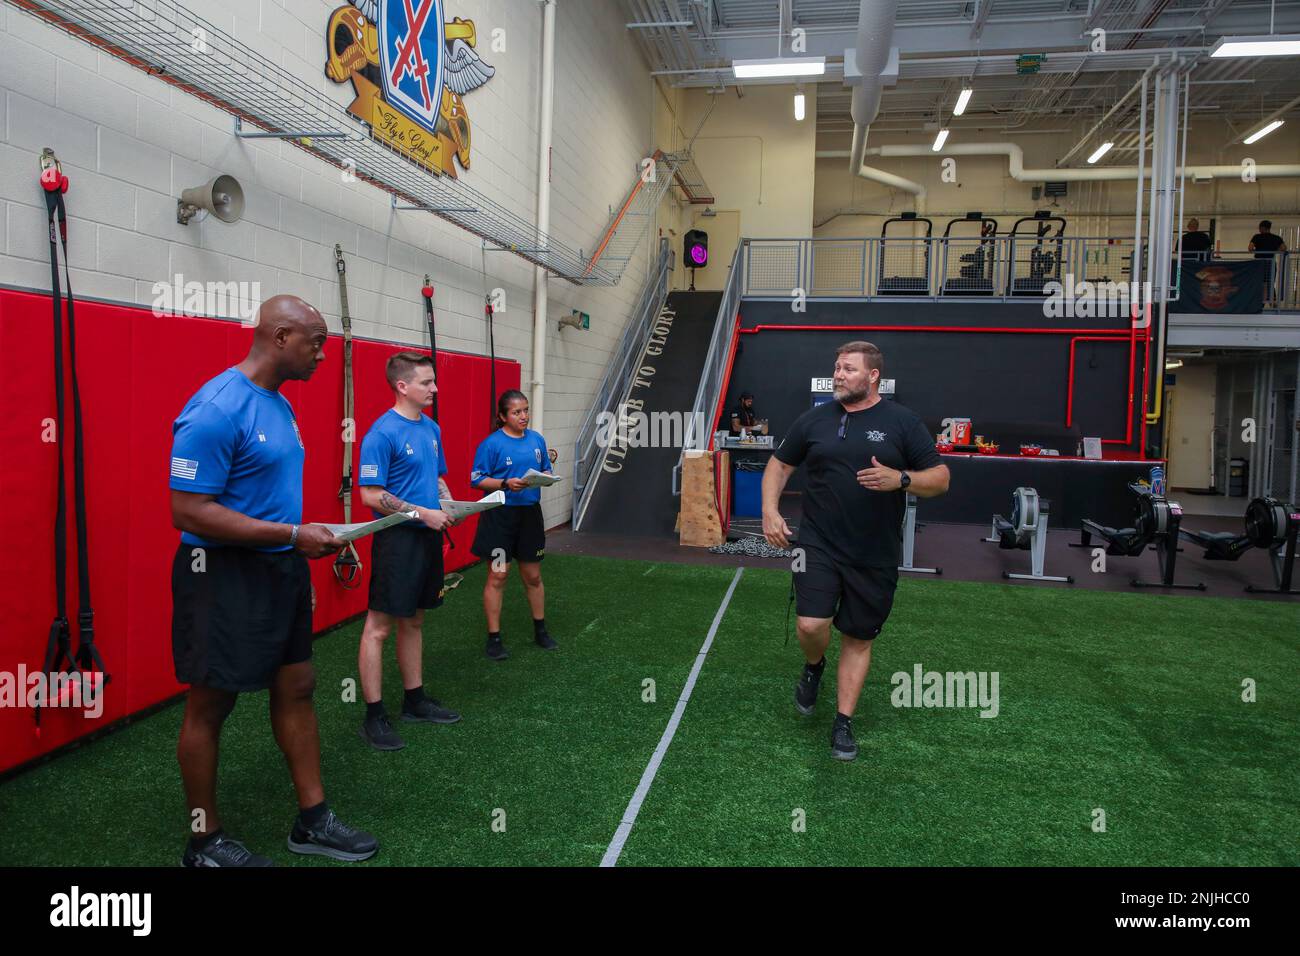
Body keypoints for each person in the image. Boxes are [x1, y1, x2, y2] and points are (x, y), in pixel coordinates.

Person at [169, 294, 377, 866]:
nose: (321, 355)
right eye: (316, 342)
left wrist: (295, 555)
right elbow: (187, 510)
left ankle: (312, 821)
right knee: (211, 706)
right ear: (281, 336)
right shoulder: (216, 406)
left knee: (298, 687)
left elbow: (266, 498)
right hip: (219, 574)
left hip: (277, 571)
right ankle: (203, 842)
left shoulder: (280, 405)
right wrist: (290, 536)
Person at [761, 341, 950, 761]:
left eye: (848, 368)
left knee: (858, 637)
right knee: (811, 626)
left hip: (874, 551)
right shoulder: (814, 419)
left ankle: (843, 721)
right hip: (816, 544)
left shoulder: (902, 422)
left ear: (873, 375)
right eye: (836, 367)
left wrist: (900, 479)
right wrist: (770, 511)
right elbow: (779, 464)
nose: (839, 374)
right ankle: (814, 667)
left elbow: (940, 478)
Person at [354, 352, 462, 751]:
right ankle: (374, 716)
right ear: (403, 386)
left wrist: (449, 505)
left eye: (433, 382)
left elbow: (434, 478)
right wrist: (422, 514)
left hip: (429, 536)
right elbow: (371, 494)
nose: (434, 388)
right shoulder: (381, 433)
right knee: (379, 627)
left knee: (414, 621)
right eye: (426, 383)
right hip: (397, 539)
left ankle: (414, 701)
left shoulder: (431, 428)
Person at [469, 390, 557, 660]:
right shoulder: (491, 444)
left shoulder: (537, 440)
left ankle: (540, 630)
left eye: (526, 410)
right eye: (517, 412)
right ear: (502, 416)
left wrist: (546, 477)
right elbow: (476, 479)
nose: (523, 416)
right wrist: (505, 483)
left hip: (529, 516)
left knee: (533, 576)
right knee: (498, 575)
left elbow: (547, 470)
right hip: (499, 518)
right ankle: (494, 639)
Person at [1250, 220, 1288, 300]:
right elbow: (1284, 248)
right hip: (1271, 263)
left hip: (1259, 263)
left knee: (1260, 282)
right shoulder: (1276, 238)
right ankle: (1273, 302)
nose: (1259, 230)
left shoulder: (1257, 237)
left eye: (1260, 228)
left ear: (1263, 228)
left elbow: (1250, 248)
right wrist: (1274, 250)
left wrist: (1257, 251)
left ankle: (1260, 302)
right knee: (1270, 282)